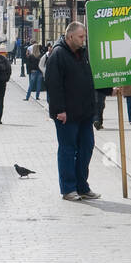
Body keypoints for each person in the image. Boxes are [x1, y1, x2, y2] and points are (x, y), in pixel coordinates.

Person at [43, 22, 99, 201]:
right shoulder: (58, 55)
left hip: (85, 112)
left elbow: (89, 79)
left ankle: (82, 186)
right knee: (68, 150)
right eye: (81, 37)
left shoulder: (82, 54)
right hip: (67, 114)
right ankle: (68, 189)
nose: (84, 40)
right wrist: (59, 110)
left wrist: (108, 90)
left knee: (87, 148)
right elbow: (53, 85)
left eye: (84, 36)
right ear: (69, 37)